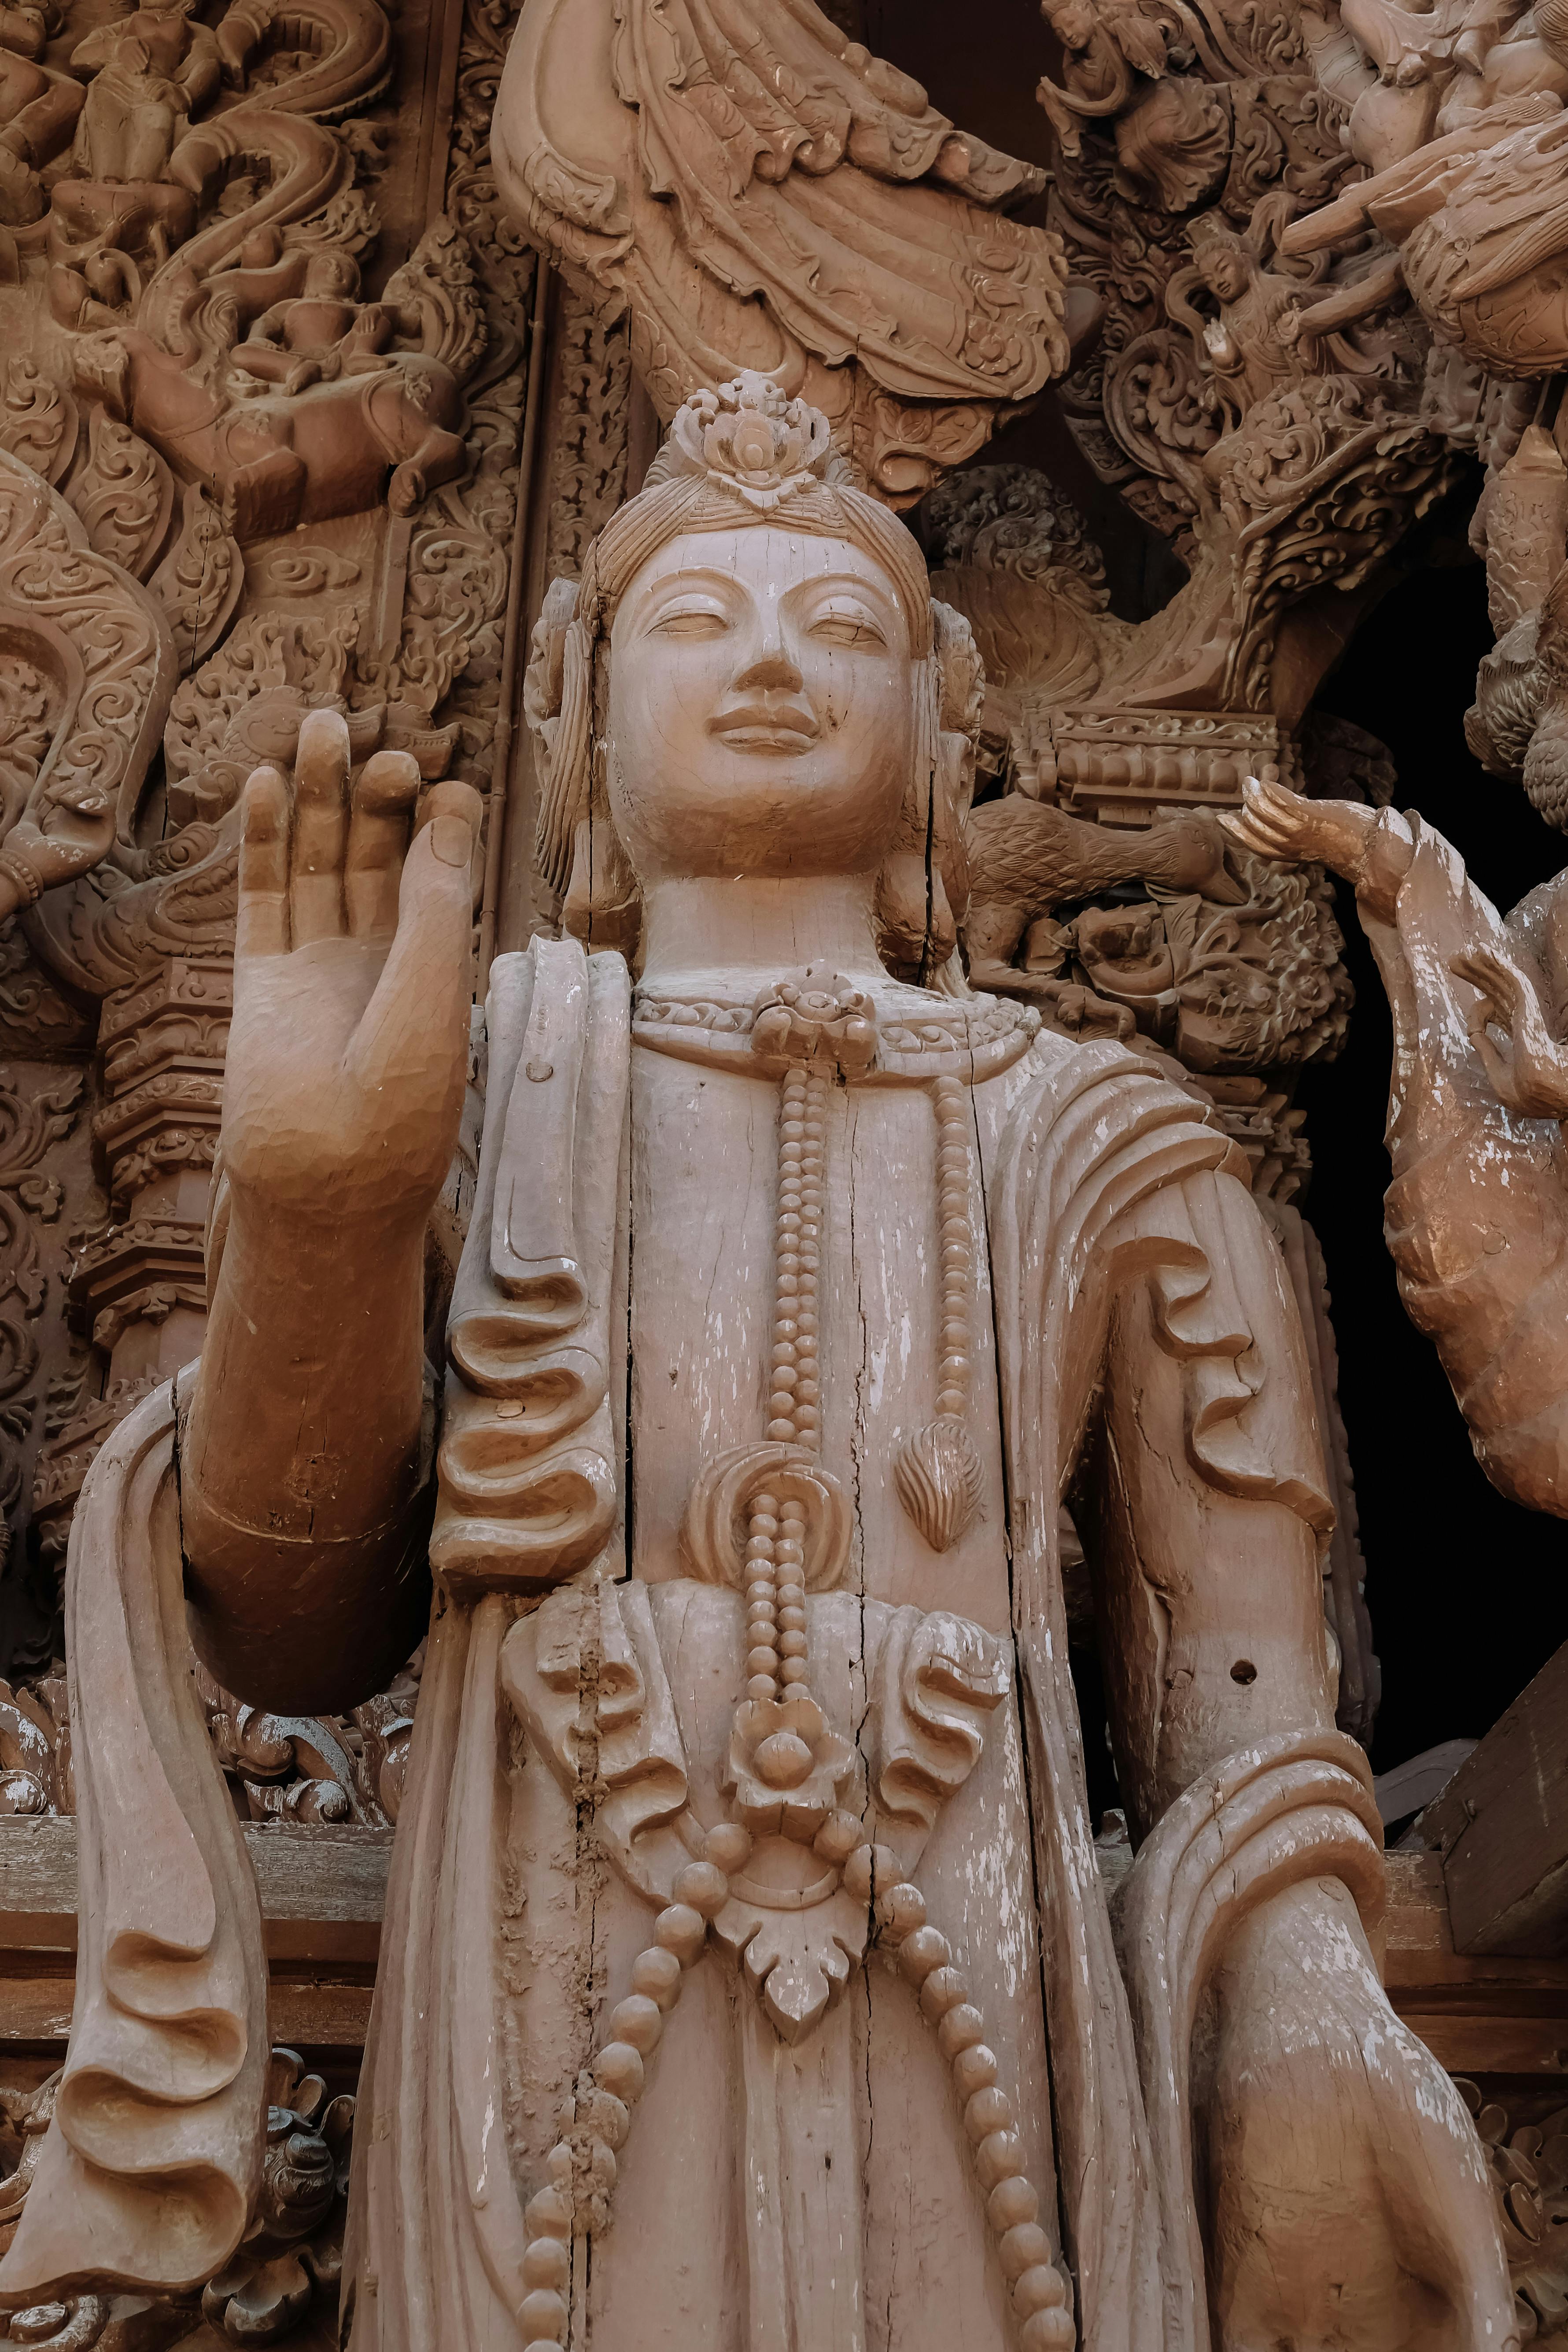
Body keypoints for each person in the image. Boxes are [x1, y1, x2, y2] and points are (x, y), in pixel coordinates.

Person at [0, 377, 1513, 2352]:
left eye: (841, 626)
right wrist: (320, 1214)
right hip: (543, 1958)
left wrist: (1297, 1984)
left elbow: (1239, 1683)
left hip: (979, 1967)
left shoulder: (1108, 1143)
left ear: (939, 730)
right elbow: (290, 1628)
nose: (775, 663)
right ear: (581, 714)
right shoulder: (486, 1081)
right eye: (700, 622)